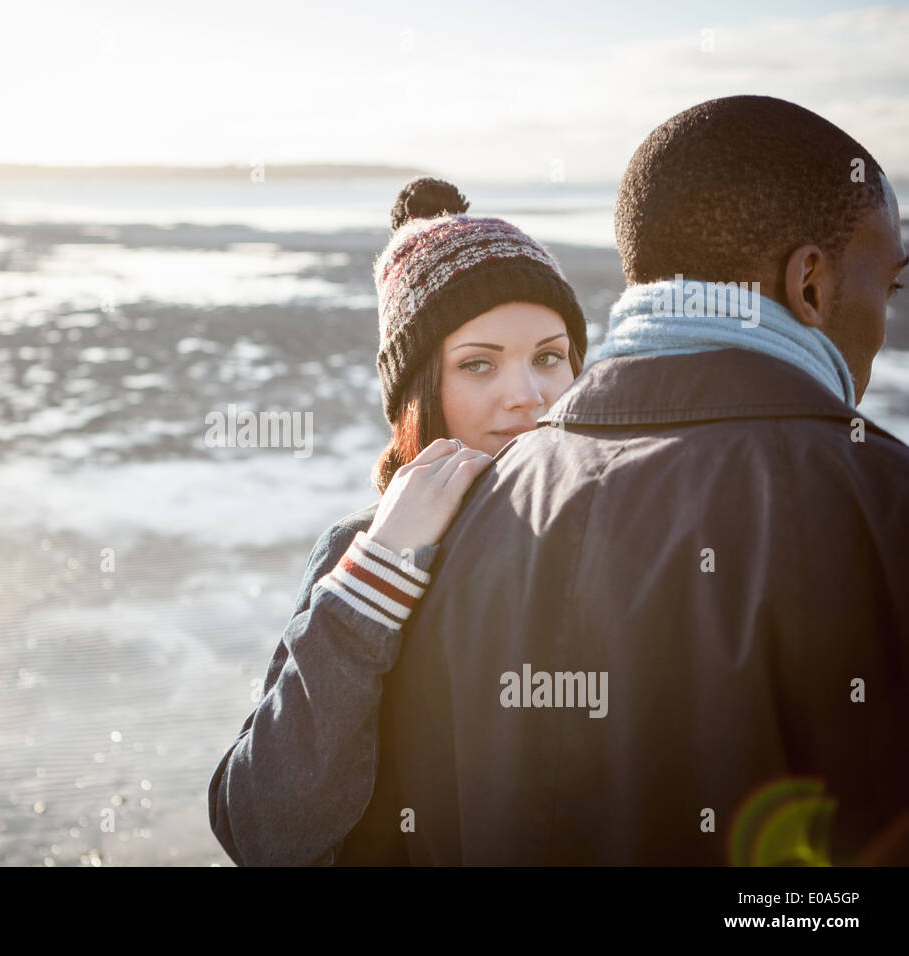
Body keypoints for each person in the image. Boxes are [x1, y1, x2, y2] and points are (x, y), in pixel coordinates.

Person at [347, 95, 909, 865]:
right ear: (810, 283)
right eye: (892, 287)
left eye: (547, 355)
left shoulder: (456, 528)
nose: (524, 393)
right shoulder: (883, 507)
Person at [207, 178, 590, 866]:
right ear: (421, 394)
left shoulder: (609, 532)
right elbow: (263, 829)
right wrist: (378, 573)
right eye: (478, 365)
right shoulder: (362, 552)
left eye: (549, 357)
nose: (528, 396)